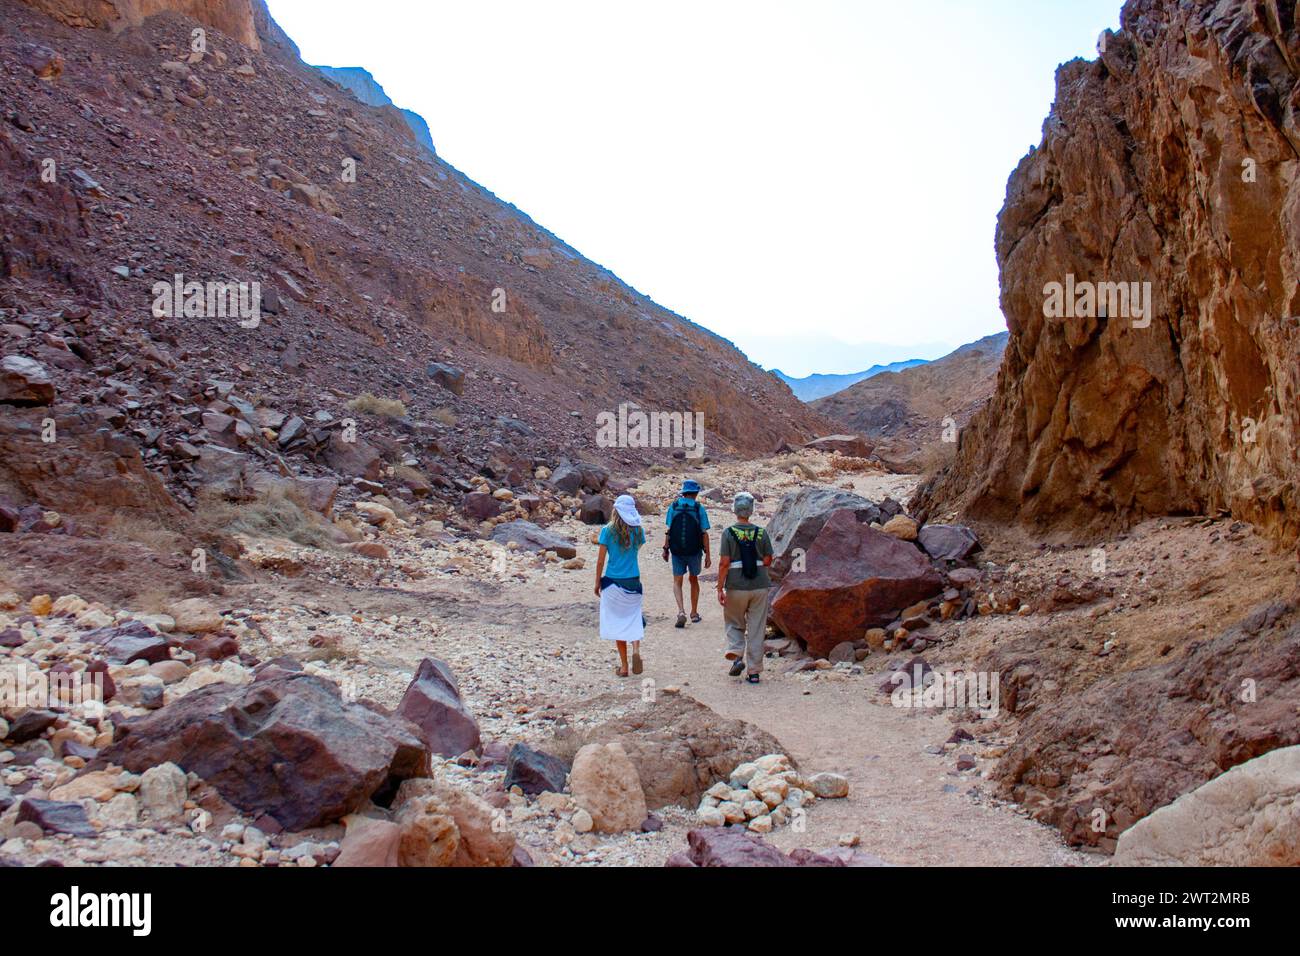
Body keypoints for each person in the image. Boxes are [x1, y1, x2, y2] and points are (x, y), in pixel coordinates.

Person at [716, 491, 774, 684]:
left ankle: (736, 652)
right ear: (751, 510)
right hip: (760, 586)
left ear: (735, 510)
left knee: (734, 621)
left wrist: (720, 587)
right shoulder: (761, 532)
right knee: (757, 628)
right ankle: (754, 672)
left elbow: (724, 563)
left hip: (736, 586)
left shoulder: (728, 533)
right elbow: (767, 560)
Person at [595, 494, 647, 677]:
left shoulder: (607, 531)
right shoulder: (638, 531)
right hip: (633, 579)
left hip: (613, 581)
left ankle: (624, 667)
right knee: (633, 618)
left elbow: (601, 561)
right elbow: (635, 551)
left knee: (618, 623)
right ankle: (636, 650)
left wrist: (597, 582)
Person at [662, 479, 711, 628]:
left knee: (677, 581)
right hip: (694, 550)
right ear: (695, 493)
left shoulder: (674, 506)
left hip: (677, 550)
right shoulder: (698, 508)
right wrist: (708, 554)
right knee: (693, 579)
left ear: (683, 493)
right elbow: (704, 533)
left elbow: (669, 530)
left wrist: (665, 549)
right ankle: (694, 613)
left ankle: (681, 611)